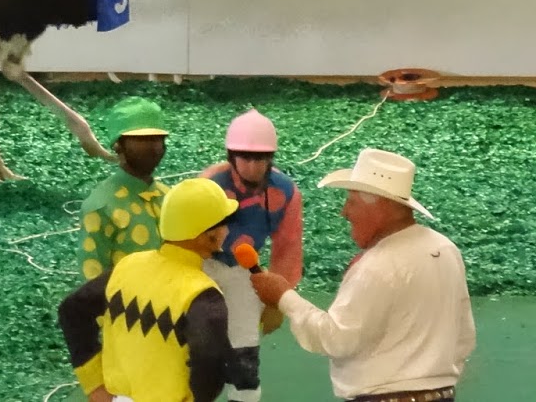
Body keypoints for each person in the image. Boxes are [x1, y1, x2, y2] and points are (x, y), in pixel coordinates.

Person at [251, 148, 475, 402]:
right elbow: (464, 336)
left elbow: (334, 338)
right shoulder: (445, 248)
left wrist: (282, 296)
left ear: (378, 206)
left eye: (352, 202)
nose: (344, 212)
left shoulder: (379, 264)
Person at [59, 178, 236, 402]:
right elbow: (210, 364)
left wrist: (94, 383)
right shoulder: (202, 295)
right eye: (224, 223)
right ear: (208, 236)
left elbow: (71, 311)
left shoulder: (127, 266)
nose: (227, 230)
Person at [198, 109, 305, 402]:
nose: (253, 165)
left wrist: (277, 300)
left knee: (245, 344)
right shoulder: (208, 184)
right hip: (199, 266)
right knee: (192, 342)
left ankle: (243, 395)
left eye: (261, 158)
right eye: (245, 157)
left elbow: (288, 247)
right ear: (231, 155)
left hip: (242, 269)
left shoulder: (285, 191)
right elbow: (185, 234)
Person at [76, 96, 169, 281]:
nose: (153, 147)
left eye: (158, 138)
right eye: (142, 140)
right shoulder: (101, 206)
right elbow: (92, 276)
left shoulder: (169, 197)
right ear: (118, 145)